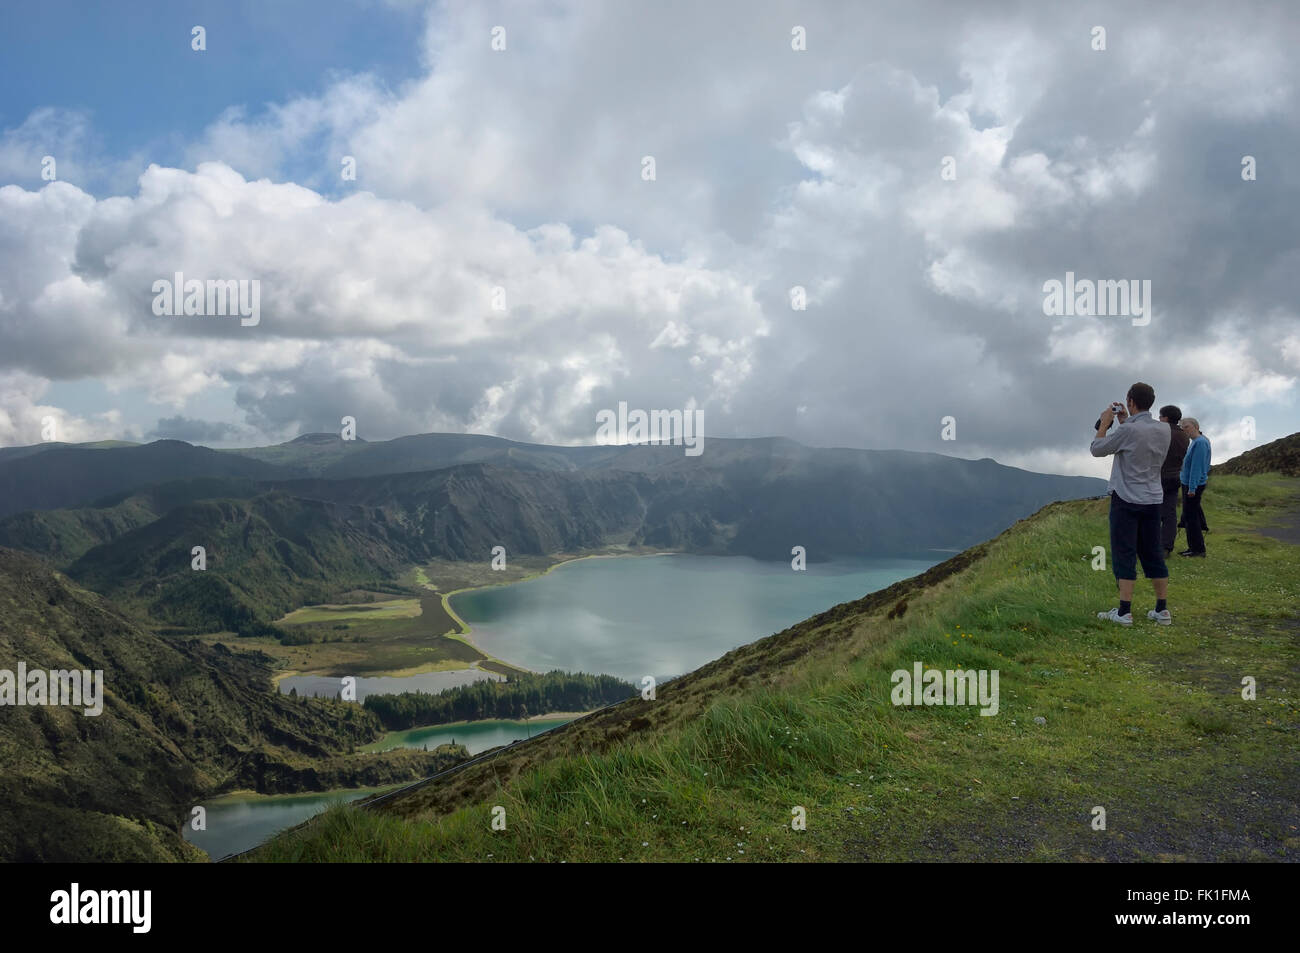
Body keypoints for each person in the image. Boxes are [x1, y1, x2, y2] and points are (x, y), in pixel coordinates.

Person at [1090, 382, 1172, 625]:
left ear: (1131, 401)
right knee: (1153, 552)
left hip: (1126, 498)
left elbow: (1097, 449)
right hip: (1153, 498)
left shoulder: (1128, 432)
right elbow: (1140, 441)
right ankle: (1162, 609)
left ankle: (1125, 612)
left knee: (1124, 551)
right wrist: (1126, 420)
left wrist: (1106, 423)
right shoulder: (1164, 430)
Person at [1158, 405, 1189, 556]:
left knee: (1152, 512)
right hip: (1175, 476)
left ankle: (1150, 545)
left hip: (1158, 476)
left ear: (1165, 418)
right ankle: (1166, 546)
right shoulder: (1184, 435)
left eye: (1160, 416)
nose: (1158, 419)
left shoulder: (1161, 432)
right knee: (1170, 513)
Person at [1178, 417, 1211, 557]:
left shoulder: (1200, 443)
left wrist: (1192, 488)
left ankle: (1197, 549)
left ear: (1196, 426)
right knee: (1192, 515)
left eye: (1187, 426)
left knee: (1191, 517)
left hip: (1193, 486)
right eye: (1182, 427)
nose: (1184, 429)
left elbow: (1196, 467)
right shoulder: (1196, 442)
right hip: (1188, 483)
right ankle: (1195, 547)